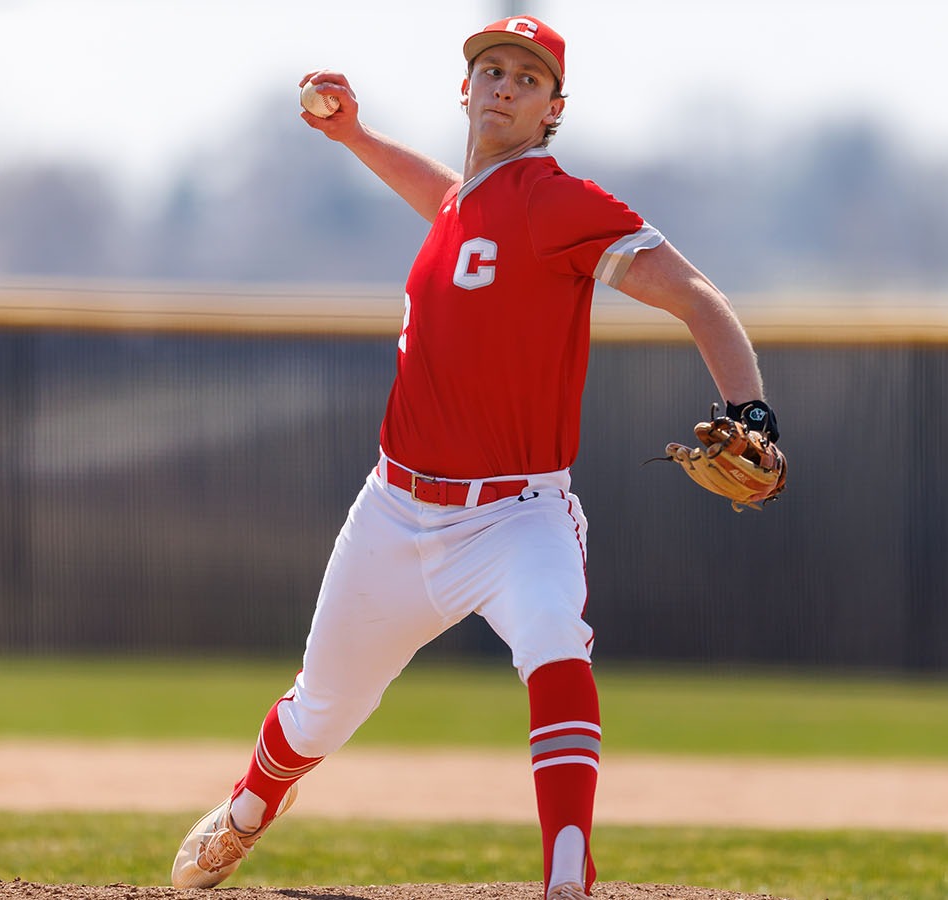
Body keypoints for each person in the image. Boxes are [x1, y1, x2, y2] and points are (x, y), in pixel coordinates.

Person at [171, 15, 779, 900]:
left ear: (553, 110)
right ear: (466, 89)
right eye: (492, 69)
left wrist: (751, 411)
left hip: (514, 518)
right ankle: (246, 812)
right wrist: (354, 135)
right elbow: (446, 193)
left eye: (528, 79)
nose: (505, 86)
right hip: (393, 512)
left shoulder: (556, 202)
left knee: (555, 639)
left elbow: (696, 295)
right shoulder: (467, 205)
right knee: (319, 711)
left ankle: (566, 874)